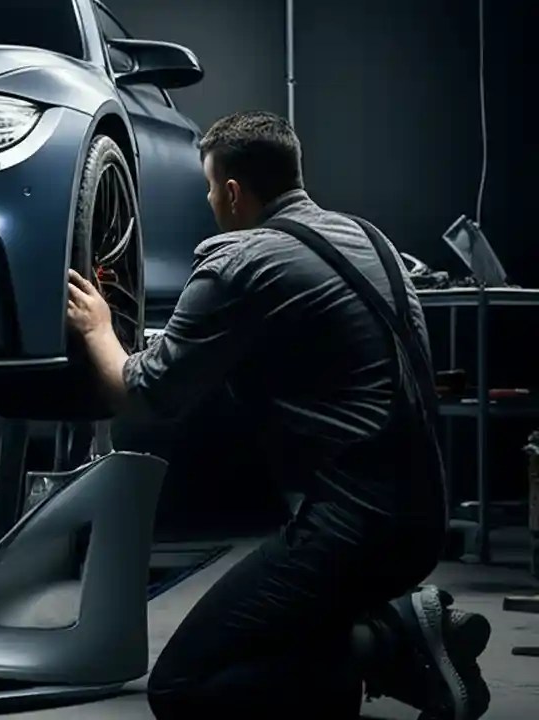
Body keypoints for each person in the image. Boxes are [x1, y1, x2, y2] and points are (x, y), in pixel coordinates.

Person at [65, 111, 492, 719]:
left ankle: (391, 642)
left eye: (210, 188)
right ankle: (400, 638)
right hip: (423, 520)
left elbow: (141, 396)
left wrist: (99, 327)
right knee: (288, 656)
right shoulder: (371, 241)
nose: (211, 201)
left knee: (182, 690)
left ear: (233, 191)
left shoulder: (237, 261)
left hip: (348, 534)